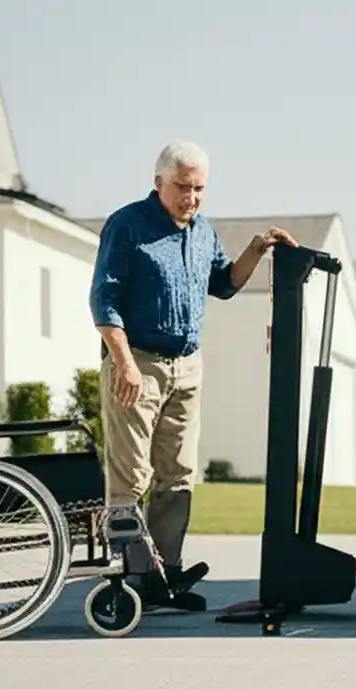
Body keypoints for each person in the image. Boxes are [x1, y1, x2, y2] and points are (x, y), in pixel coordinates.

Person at [88, 140, 298, 611]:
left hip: (188, 366)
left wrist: (258, 248)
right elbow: (104, 298)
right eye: (183, 187)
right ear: (158, 182)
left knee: (178, 475)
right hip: (137, 361)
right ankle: (127, 580)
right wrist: (122, 361)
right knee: (131, 477)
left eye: (200, 188)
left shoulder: (202, 231)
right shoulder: (127, 225)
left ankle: (165, 576)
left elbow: (223, 283)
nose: (192, 197)